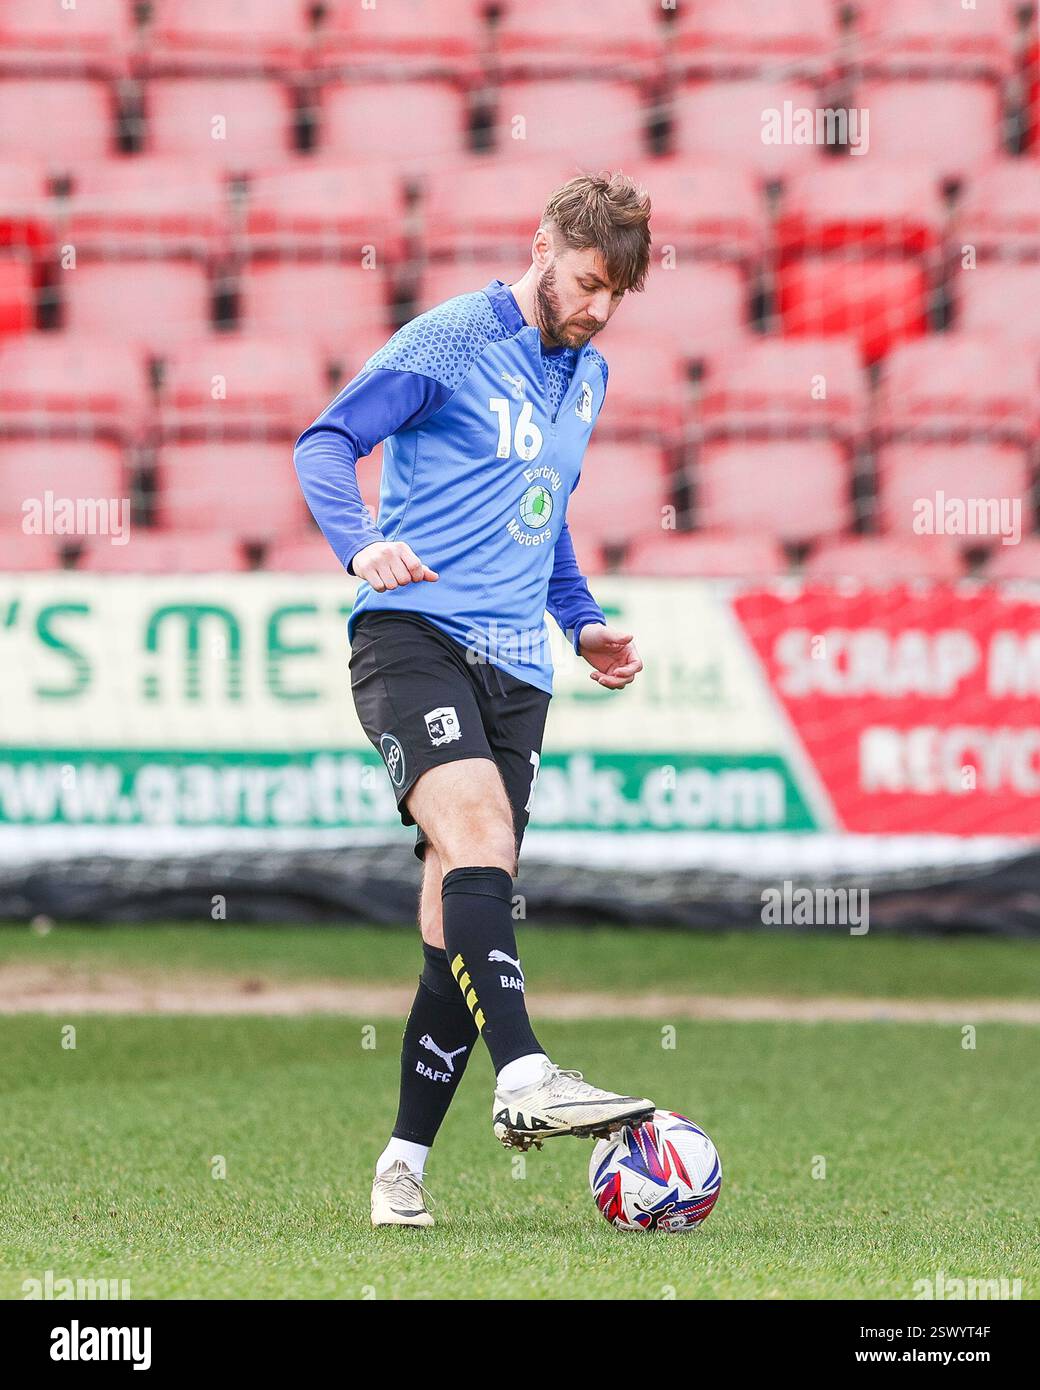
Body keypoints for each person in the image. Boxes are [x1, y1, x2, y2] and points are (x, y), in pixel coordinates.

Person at [294, 171, 654, 1228]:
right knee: (481, 833)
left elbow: (543, 518)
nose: (595, 308)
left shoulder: (586, 378)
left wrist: (582, 623)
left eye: (613, 296)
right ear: (541, 245)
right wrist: (361, 545)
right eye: (586, 282)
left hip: (519, 671)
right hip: (412, 634)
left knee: (452, 918)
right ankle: (526, 1071)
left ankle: (401, 1164)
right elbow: (326, 441)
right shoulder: (452, 339)